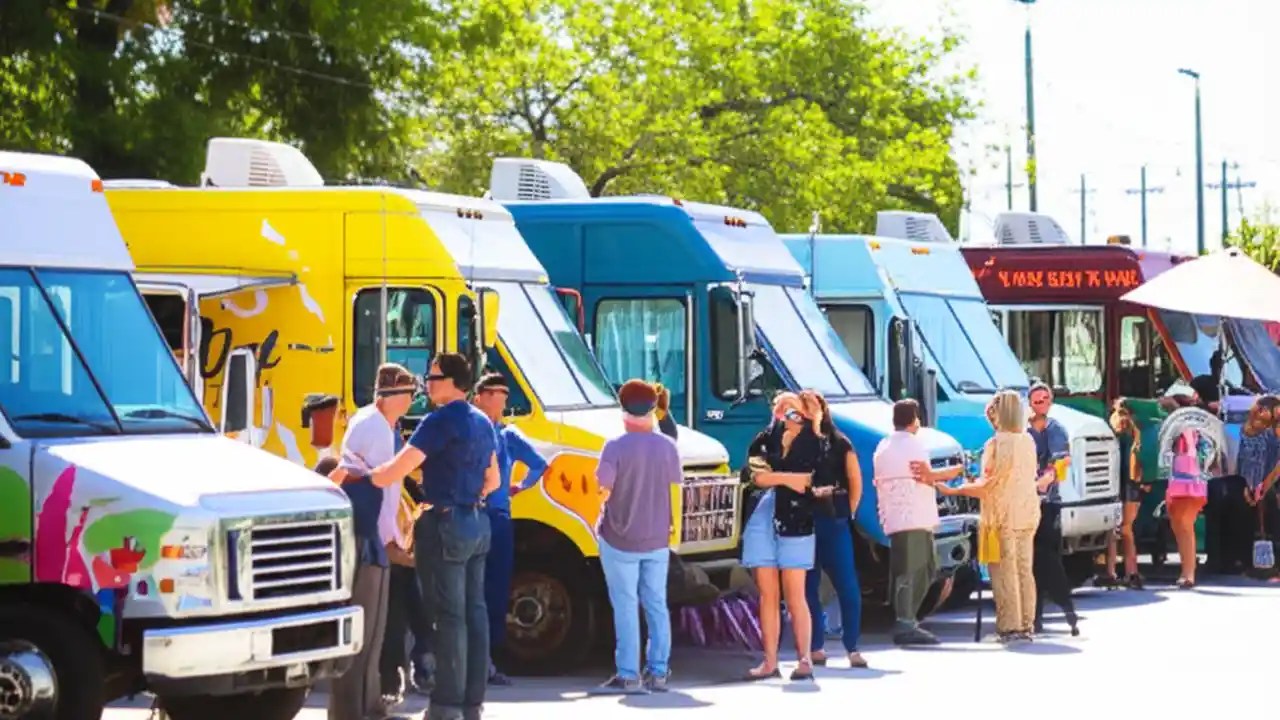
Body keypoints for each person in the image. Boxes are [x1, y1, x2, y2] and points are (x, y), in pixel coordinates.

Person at [366, 353, 500, 720]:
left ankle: (446, 706)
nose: (427, 383)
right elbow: (494, 481)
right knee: (475, 613)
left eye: (433, 376)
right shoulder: (482, 421)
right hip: (478, 522)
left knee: (447, 617)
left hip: (445, 524)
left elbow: (398, 469)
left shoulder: (438, 421)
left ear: (452, 381)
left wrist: (363, 477)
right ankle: (472, 704)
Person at [328, 364, 419, 720]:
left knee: (370, 633)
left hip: (367, 533)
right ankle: (357, 709)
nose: (412, 399)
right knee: (366, 634)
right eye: (409, 392)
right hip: (369, 537)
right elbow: (383, 486)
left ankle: (366, 705)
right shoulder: (377, 428)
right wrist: (391, 539)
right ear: (393, 394)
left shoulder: (372, 422)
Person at [590, 380, 683, 694]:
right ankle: (659, 672)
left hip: (618, 538)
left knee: (626, 606)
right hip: (658, 539)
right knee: (657, 603)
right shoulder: (667, 447)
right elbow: (675, 489)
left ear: (623, 409)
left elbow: (603, 488)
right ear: (653, 409)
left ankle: (628, 674)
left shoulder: (614, 446)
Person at [940, 390, 1042, 642]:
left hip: (1002, 514)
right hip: (1028, 512)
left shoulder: (996, 444)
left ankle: (1009, 626)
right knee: (1024, 569)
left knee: (1003, 570)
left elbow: (988, 484)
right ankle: (1027, 623)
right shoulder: (1028, 441)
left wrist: (956, 488)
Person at [470, 373, 548, 686]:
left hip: (480, 514)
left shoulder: (481, 431)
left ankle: (478, 660)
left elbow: (540, 464)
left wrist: (519, 486)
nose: (502, 400)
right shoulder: (504, 435)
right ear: (483, 396)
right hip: (495, 516)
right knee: (491, 589)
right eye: (498, 394)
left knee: (479, 589)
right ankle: (486, 661)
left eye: (503, 394)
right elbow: (540, 465)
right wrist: (519, 486)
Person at [742, 392, 823, 680]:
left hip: (797, 522)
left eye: (793, 409)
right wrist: (791, 479)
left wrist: (783, 477)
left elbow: (813, 481)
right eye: (781, 408)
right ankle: (770, 661)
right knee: (768, 595)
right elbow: (759, 478)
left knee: (796, 594)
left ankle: (804, 660)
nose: (786, 414)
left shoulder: (815, 442)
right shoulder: (763, 439)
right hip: (760, 519)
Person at [881, 399, 959, 646]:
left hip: (903, 517)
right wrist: (953, 471)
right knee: (913, 571)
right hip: (911, 517)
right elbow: (925, 475)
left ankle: (909, 619)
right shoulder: (911, 445)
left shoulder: (885, 444)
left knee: (922, 567)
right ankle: (905, 622)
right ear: (914, 419)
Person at [804, 392, 867, 668]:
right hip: (803, 522)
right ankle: (815, 645)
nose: (805, 413)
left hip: (834, 518)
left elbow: (855, 478)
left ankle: (852, 645)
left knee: (847, 585)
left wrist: (849, 510)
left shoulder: (840, 442)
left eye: (810, 407)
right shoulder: (794, 441)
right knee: (808, 586)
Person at [1025, 382, 1079, 636]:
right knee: (1031, 561)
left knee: (1048, 557)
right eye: (1037, 401)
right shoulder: (1023, 432)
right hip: (1026, 502)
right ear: (1029, 404)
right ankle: (1034, 616)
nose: (1042, 404)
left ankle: (1062, 605)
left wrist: (1045, 480)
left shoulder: (1056, 429)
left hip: (1049, 503)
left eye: (1046, 399)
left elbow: (1063, 461)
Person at [1100, 398, 1147, 590]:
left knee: (1113, 531)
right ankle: (1131, 572)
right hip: (1132, 486)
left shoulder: (1110, 435)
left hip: (1115, 484)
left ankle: (1111, 571)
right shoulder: (1136, 435)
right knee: (1127, 531)